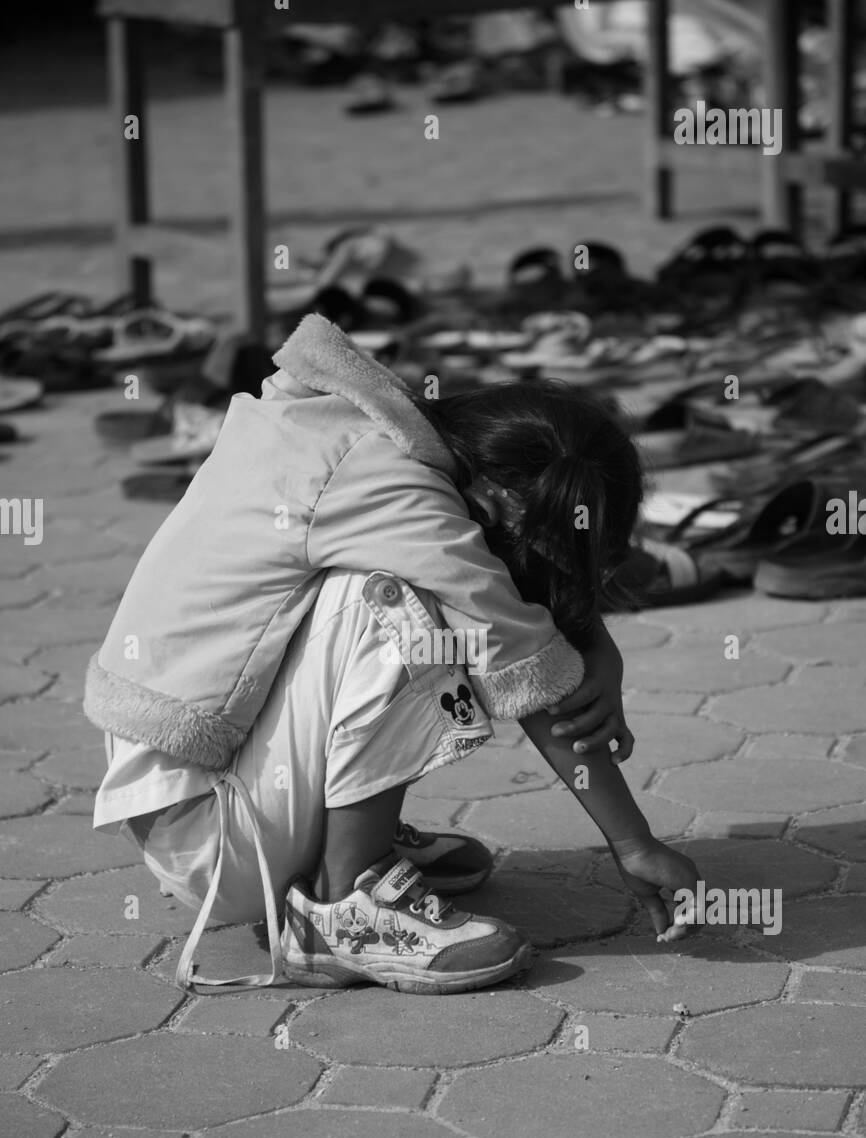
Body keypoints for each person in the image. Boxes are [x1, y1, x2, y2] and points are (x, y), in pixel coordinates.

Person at [85, 314, 700, 995]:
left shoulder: (353, 432)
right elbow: (515, 650)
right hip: (217, 835)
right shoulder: (396, 495)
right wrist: (633, 842)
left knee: (422, 594)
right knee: (395, 602)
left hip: (196, 797)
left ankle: (340, 844)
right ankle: (345, 909)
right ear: (497, 502)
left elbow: (508, 601)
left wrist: (597, 648)